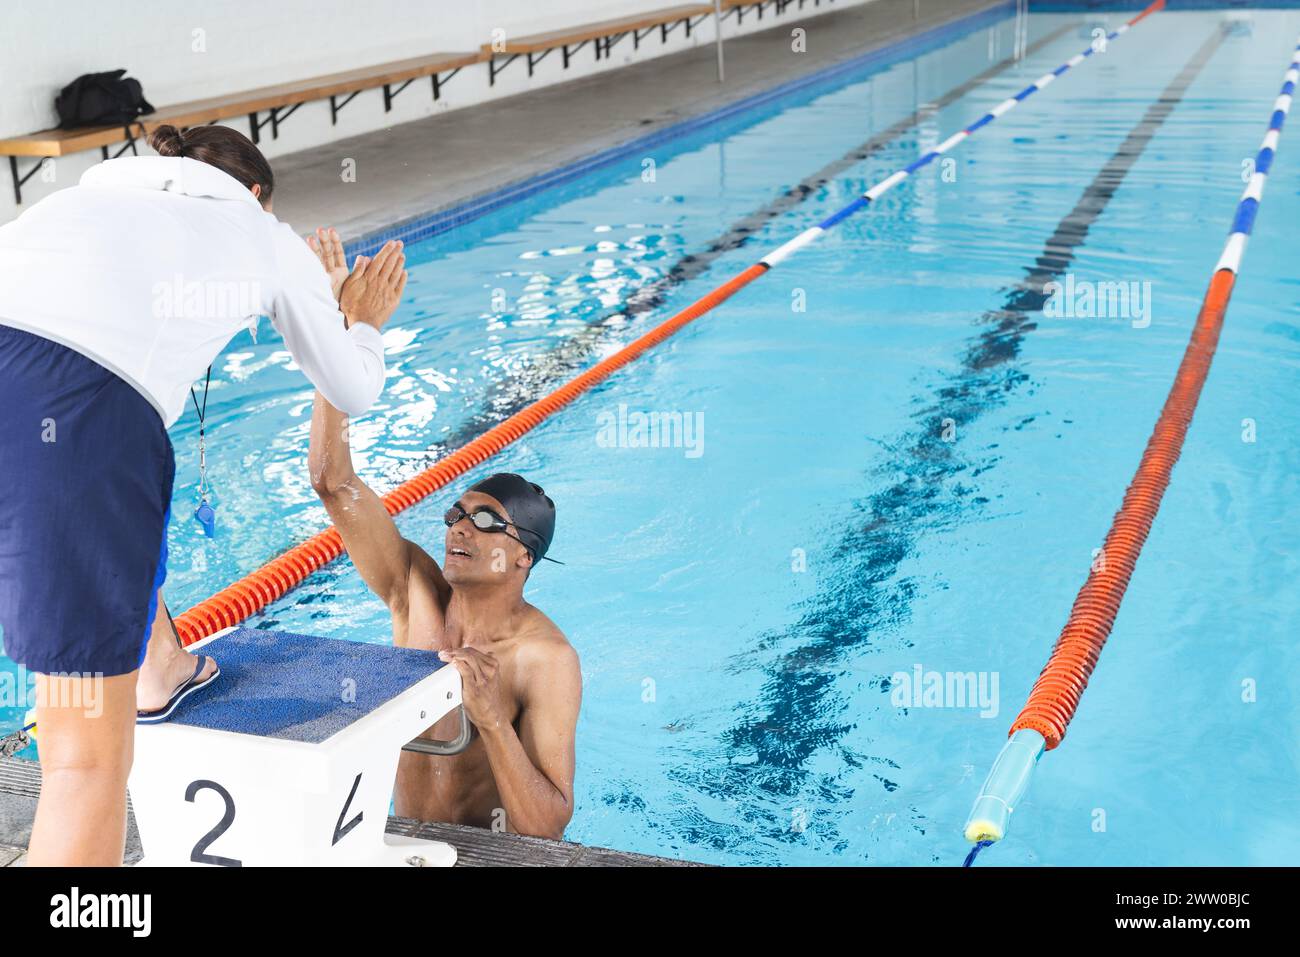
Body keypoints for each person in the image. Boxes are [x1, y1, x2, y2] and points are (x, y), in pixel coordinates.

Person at [0, 123, 407, 865]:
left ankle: (158, 661)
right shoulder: (262, 231)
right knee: (82, 763)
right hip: (72, 409)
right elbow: (353, 385)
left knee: (136, 474)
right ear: (257, 193)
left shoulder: (81, 197)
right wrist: (362, 323)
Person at [306, 239, 580, 839]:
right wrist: (342, 331)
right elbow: (333, 481)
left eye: (485, 521)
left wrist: (494, 723)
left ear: (522, 557)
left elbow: (548, 829)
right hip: (398, 842)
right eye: (456, 514)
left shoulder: (545, 660)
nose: (459, 526)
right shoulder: (413, 592)